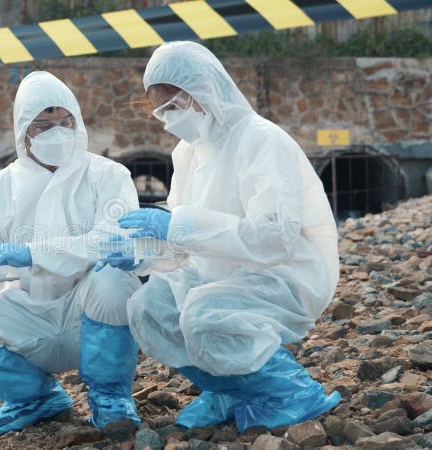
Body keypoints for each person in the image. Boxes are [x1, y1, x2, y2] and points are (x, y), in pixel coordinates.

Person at [104, 42, 341, 432]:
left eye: (173, 106)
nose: (167, 118)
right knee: (149, 306)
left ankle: (292, 391)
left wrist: (176, 225)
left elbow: (275, 237)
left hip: (288, 272)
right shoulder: (187, 154)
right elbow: (184, 241)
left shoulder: (261, 140)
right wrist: (143, 254)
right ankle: (229, 386)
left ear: (202, 90)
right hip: (222, 272)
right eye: (160, 110)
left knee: (203, 314)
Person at [0, 71, 143, 434]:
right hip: (30, 316)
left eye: (65, 120)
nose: (57, 130)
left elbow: (114, 241)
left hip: (90, 312)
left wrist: (34, 253)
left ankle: (111, 394)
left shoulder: (108, 176)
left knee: (114, 276)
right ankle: (36, 397)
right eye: (44, 123)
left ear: (78, 120)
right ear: (24, 130)